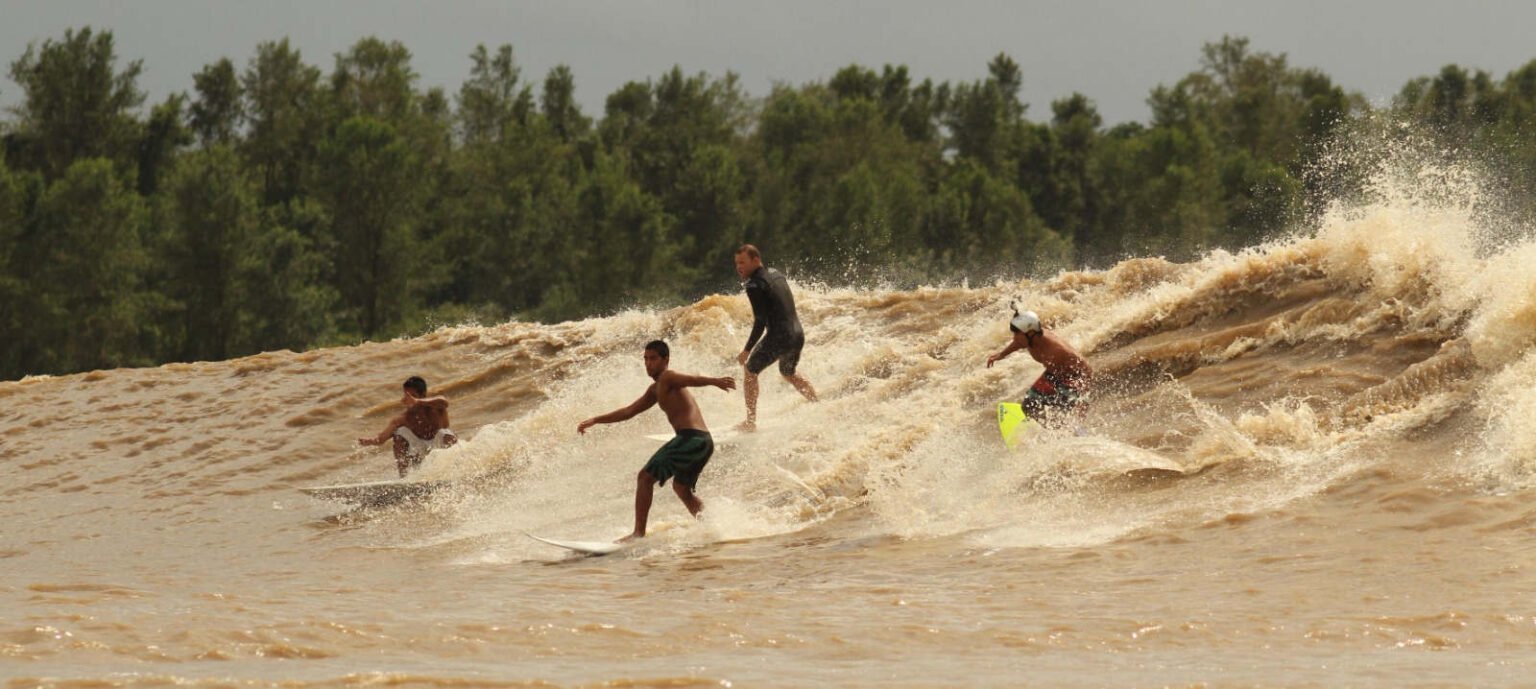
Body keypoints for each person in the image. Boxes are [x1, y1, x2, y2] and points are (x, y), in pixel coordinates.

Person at [578, 340, 736, 542]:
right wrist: (596, 420)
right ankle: (714, 529)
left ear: (665, 360)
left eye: (653, 358)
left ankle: (638, 533)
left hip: (692, 439)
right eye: (645, 359)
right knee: (681, 489)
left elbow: (690, 379)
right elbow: (628, 411)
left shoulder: (668, 377)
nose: (648, 363)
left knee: (645, 477)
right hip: (703, 443)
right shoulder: (655, 389)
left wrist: (714, 381)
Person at [733, 244, 817, 431]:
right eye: (737, 263)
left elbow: (760, 321)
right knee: (789, 373)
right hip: (797, 334)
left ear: (755, 260)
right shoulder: (776, 274)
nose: (739, 267)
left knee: (750, 372)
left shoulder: (754, 285)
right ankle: (818, 404)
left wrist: (747, 349)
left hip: (779, 337)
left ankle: (750, 422)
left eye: (743, 262)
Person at [986, 310, 1093, 427]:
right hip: (1055, 372)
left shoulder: (1055, 351)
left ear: (1030, 333)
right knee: (1029, 405)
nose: (1015, 338)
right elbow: (1018, 343)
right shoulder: (1029, 338)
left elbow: (1085, 373)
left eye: (1017, 334)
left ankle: (1060, 431)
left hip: (1076, 377)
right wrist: (1001, 355)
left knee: (1059, 411)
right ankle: (1040, 427)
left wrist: (1082, 402)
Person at [358, 376, 458, 477]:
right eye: (407, 396)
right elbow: (380, 439)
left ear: (423, 395)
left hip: (440, 447)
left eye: (413, 396)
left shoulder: (436, 407)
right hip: (420, 451)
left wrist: (417, 401)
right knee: (399, 433)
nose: (409, 399)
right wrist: (370, 441)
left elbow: (444, 401)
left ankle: (456, 470)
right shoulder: (404, 418)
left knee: (445, 433)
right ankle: (404, 478)